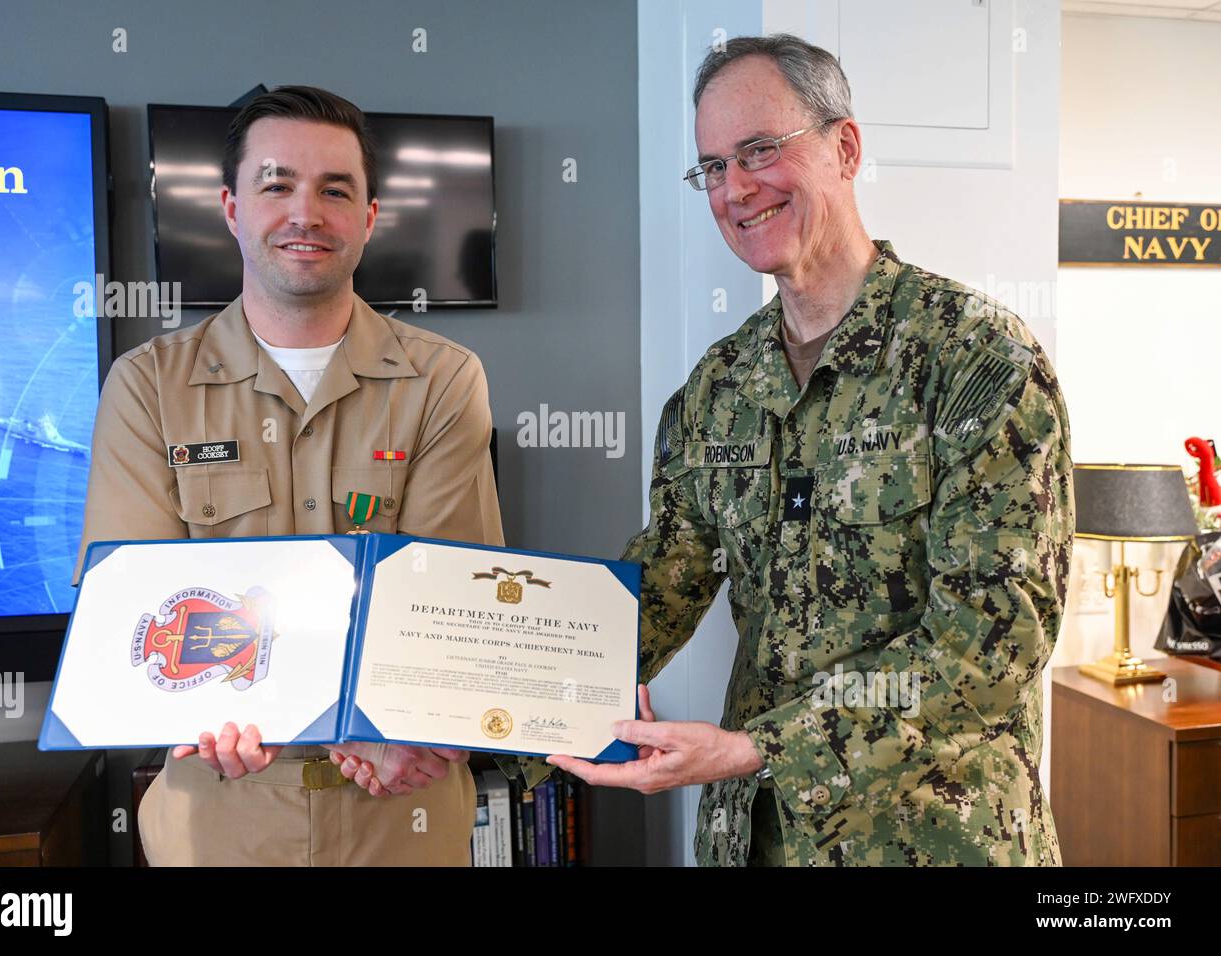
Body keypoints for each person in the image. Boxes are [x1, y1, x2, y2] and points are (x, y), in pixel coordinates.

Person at [545, 34, 1073, 866]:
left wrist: (760, 747)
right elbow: (660, 588)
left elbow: (994, 641)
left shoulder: (975, 359)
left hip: (930, 841)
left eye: (759, 150)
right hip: (751, 837)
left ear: (846, 147)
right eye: (713, 167)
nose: (736, 188)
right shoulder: (717, 387)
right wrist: (466, 712)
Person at [76, 85, 503, 865]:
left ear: (370, 218)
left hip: (398, 808)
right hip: (219, 813)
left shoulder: (444, 380)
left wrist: (395, 728)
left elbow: (454, 595)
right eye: (276, 185)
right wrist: (242, 706)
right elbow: (133, 614)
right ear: (232, 210)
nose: (305, 212)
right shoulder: (147, 386)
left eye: (335, 190)